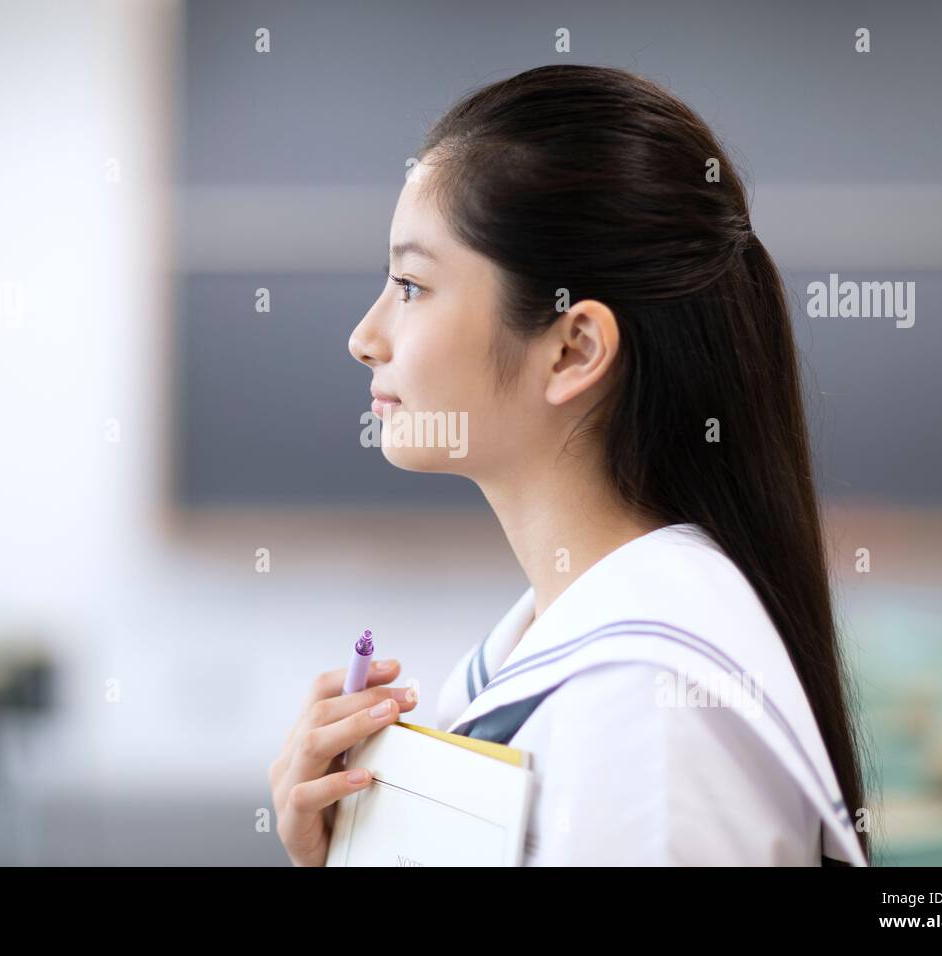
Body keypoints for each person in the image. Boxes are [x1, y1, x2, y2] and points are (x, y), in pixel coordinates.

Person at [269, 64, 870, 866]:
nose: (365, 337)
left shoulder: (649, 713)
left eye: (411, 286)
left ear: (572, 348)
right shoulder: (555, 643)